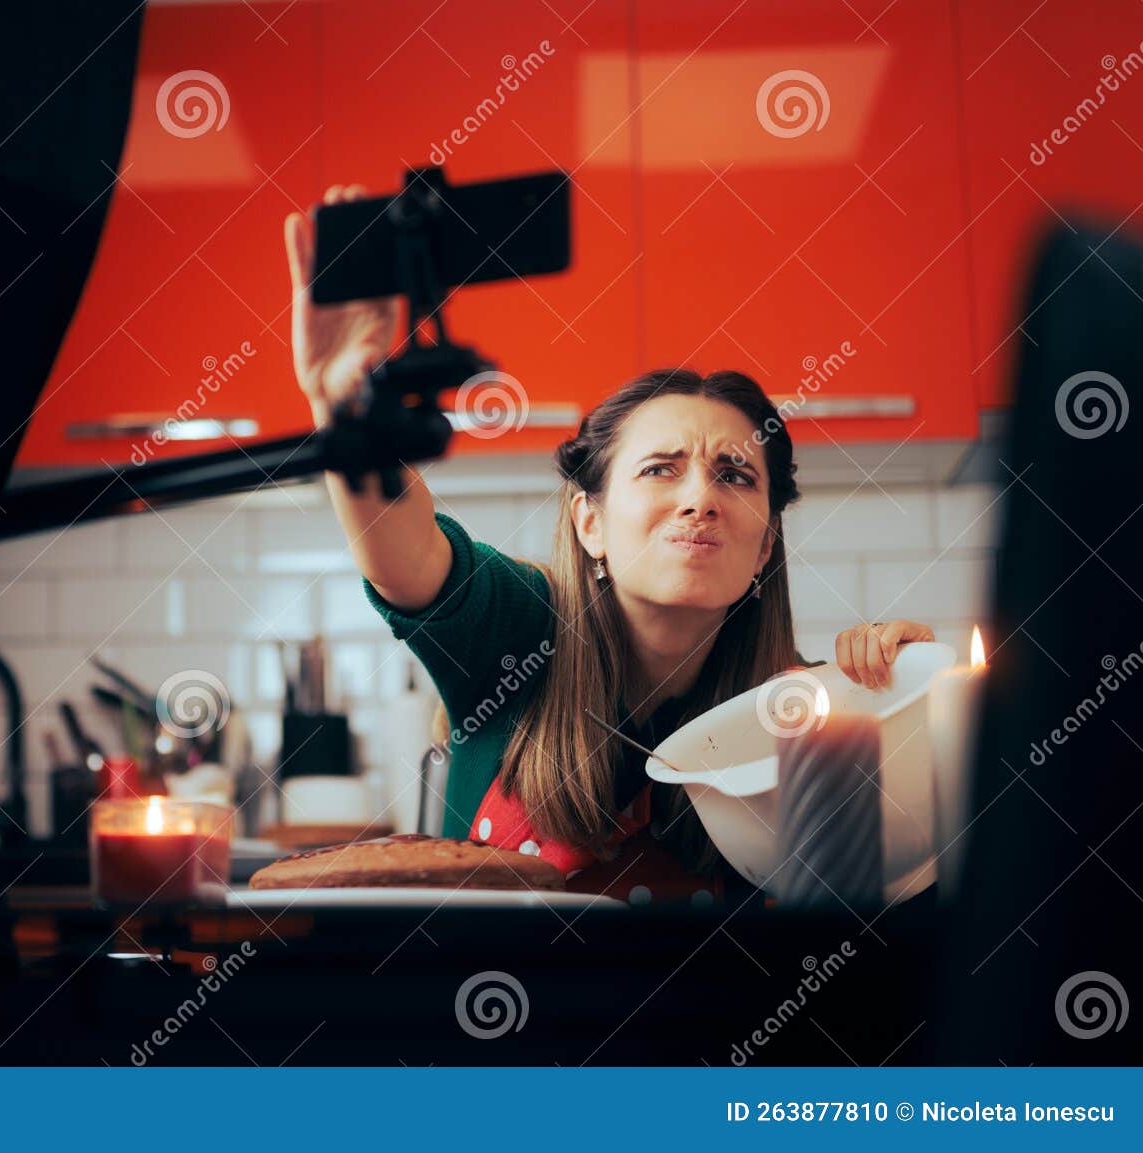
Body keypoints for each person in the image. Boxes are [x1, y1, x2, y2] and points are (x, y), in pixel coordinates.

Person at [284, 185, 935, 904]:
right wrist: (346, 411)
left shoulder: (811, 714)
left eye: (735, 474)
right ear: (588, 518)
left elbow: (908, 878)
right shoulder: (517, 630)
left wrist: (914, 699)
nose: (699, 498)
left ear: (765, 545)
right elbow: (404, 554)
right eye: (661, 468)